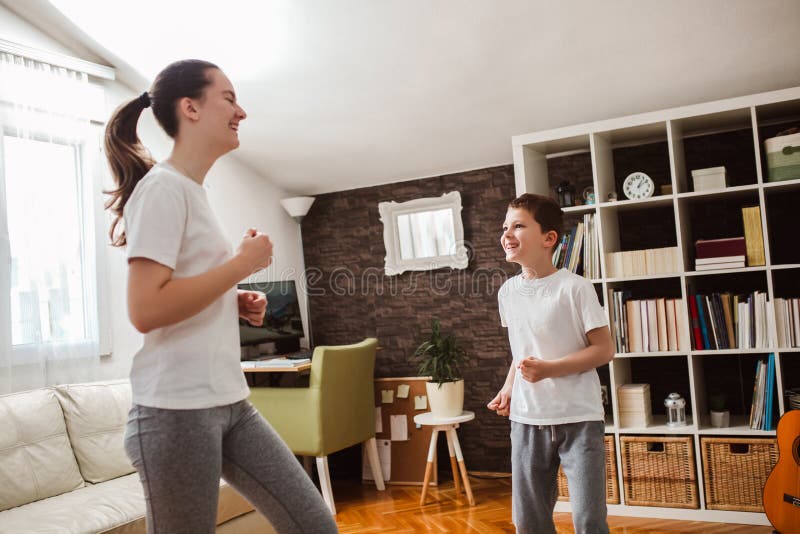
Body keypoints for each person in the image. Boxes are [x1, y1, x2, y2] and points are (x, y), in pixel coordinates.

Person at [104, 59, 338, 534]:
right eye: (229, 99)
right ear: (190, 108)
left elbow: (177, 292)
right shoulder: (162, 189)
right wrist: (240, 266)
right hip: (175, 412)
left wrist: (231, 299)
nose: (241, 112)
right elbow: (145, 309)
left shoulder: (192, 191)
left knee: (315, 525)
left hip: (230, 401)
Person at [487, 193, 614, 534]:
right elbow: (522, 351)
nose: (506, 234)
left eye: (518, 226)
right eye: (505, 227)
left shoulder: (576, 288)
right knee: (528, 521)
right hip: (527, 420)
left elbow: (604, 350)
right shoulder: (507, 293)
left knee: (588, 520)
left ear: (549, 238)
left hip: (580, 419)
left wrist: (549, 369)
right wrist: (509, 388)